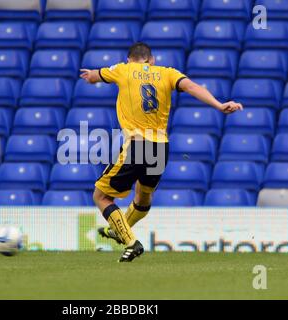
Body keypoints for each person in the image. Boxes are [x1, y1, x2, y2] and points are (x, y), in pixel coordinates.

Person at [80, 42, 243, 262]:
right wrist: (219, 105)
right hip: (160, 146)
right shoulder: (168, 73)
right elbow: (193, 87)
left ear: (130, 59)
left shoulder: (122, 69)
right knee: (143, 194)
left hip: (137, 144)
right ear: (151, 59)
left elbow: (94, 77)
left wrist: (91, 75)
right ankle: (121, 229)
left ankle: (130, 242)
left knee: (101, 196)